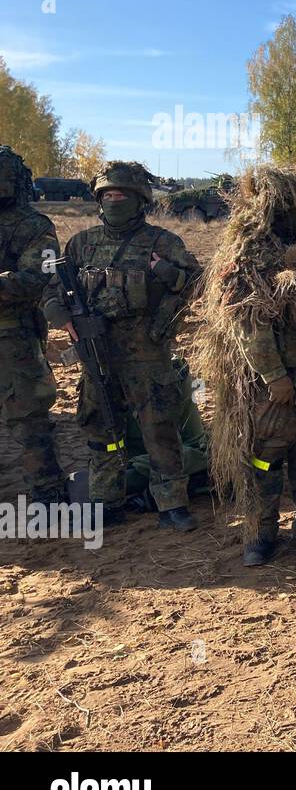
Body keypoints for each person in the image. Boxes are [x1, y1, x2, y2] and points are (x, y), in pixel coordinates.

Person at [194, 160, 296, 565]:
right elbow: (248, 322)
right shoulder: (251, 252)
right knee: (265, 455)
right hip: (270, 380)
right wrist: (274, 376)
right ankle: (260, 533)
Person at [44, 161, 201, 528]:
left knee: (159, 430)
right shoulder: (81, 244)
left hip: (147, 351)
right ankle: (106, 501)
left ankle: (172, 505)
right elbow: (53, 289)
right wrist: (61, 317)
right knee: (103, 431)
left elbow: (197, 285)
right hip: (98, 354)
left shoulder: (163, 242)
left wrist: (165, 272)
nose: (114, 201)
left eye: (121, 195)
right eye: (108, 195)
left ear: (139, 199)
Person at [0, 145, 65, 503]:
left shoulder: (33, 226)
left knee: (28, 417)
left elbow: (38, 277)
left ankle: (48, 493)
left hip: (13, 335)